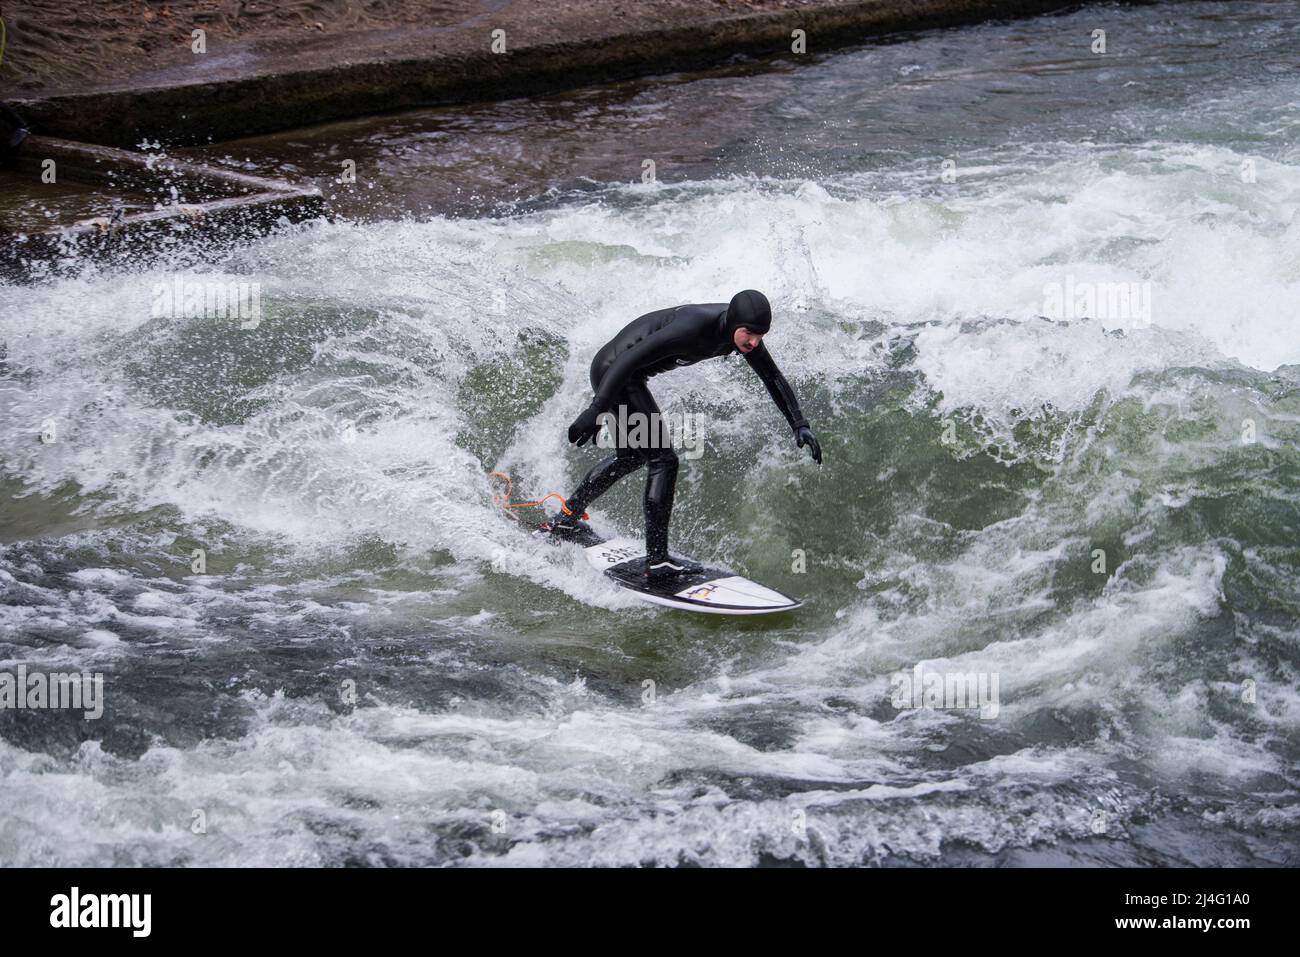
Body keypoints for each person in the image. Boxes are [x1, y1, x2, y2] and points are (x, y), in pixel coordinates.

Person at [554, 289, 822, 578]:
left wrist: (799, 423)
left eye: (760, 336)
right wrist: (597, 408)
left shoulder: (743, 336)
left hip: (627, 376)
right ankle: (657, 561)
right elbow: (628, 360)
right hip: (615, 372)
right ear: (734, 323)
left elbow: (772, 377)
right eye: (750, 334)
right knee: (663, 460)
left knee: (633, 456)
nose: (755, 342)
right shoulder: (691, 328)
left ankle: (567, 519)